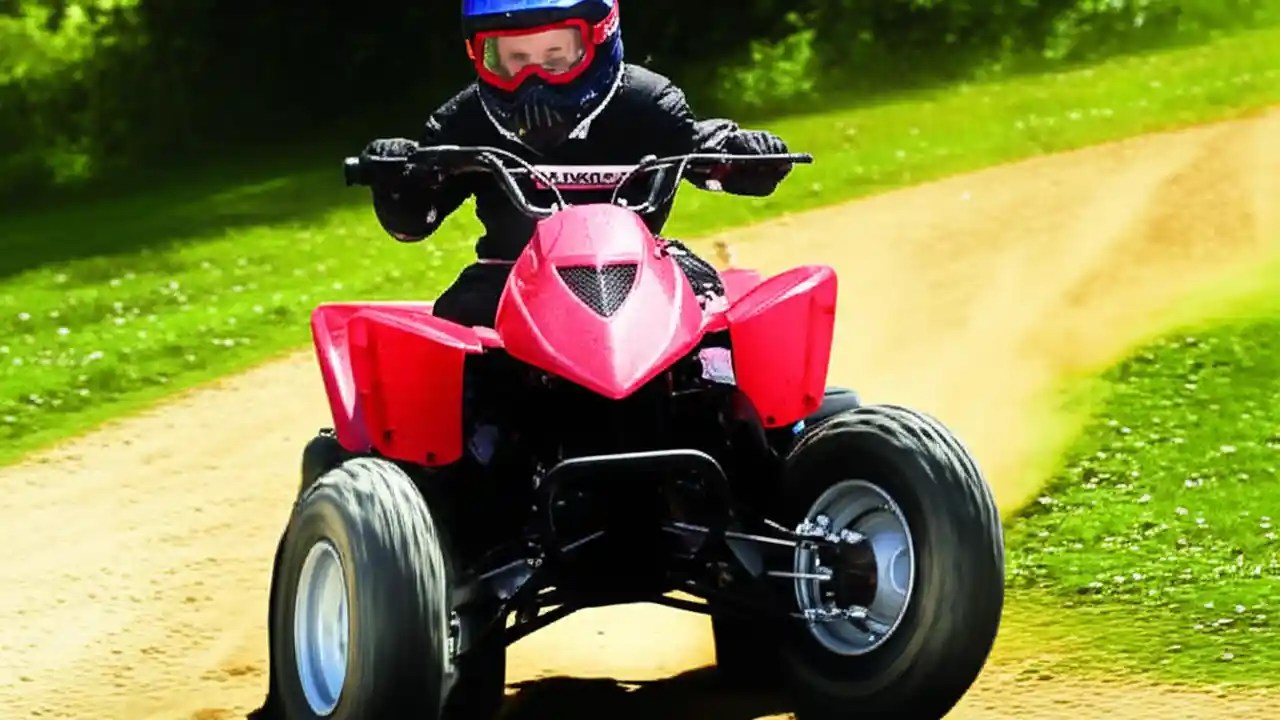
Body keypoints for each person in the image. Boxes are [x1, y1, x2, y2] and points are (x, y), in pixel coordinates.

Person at [360, 0, 797, 329]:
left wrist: (745, 159)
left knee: (712, 311)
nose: (534, 79)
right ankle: (469, 442)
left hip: (643, 268)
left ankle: (744, 426)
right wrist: (396, 180)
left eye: (555, 58)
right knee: (455, 326)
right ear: (482, 56)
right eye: (514, 60)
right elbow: (413, 224)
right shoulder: (465, 120)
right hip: (508, 276)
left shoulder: (648, 104)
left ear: (600, 40)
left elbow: (701, 148)